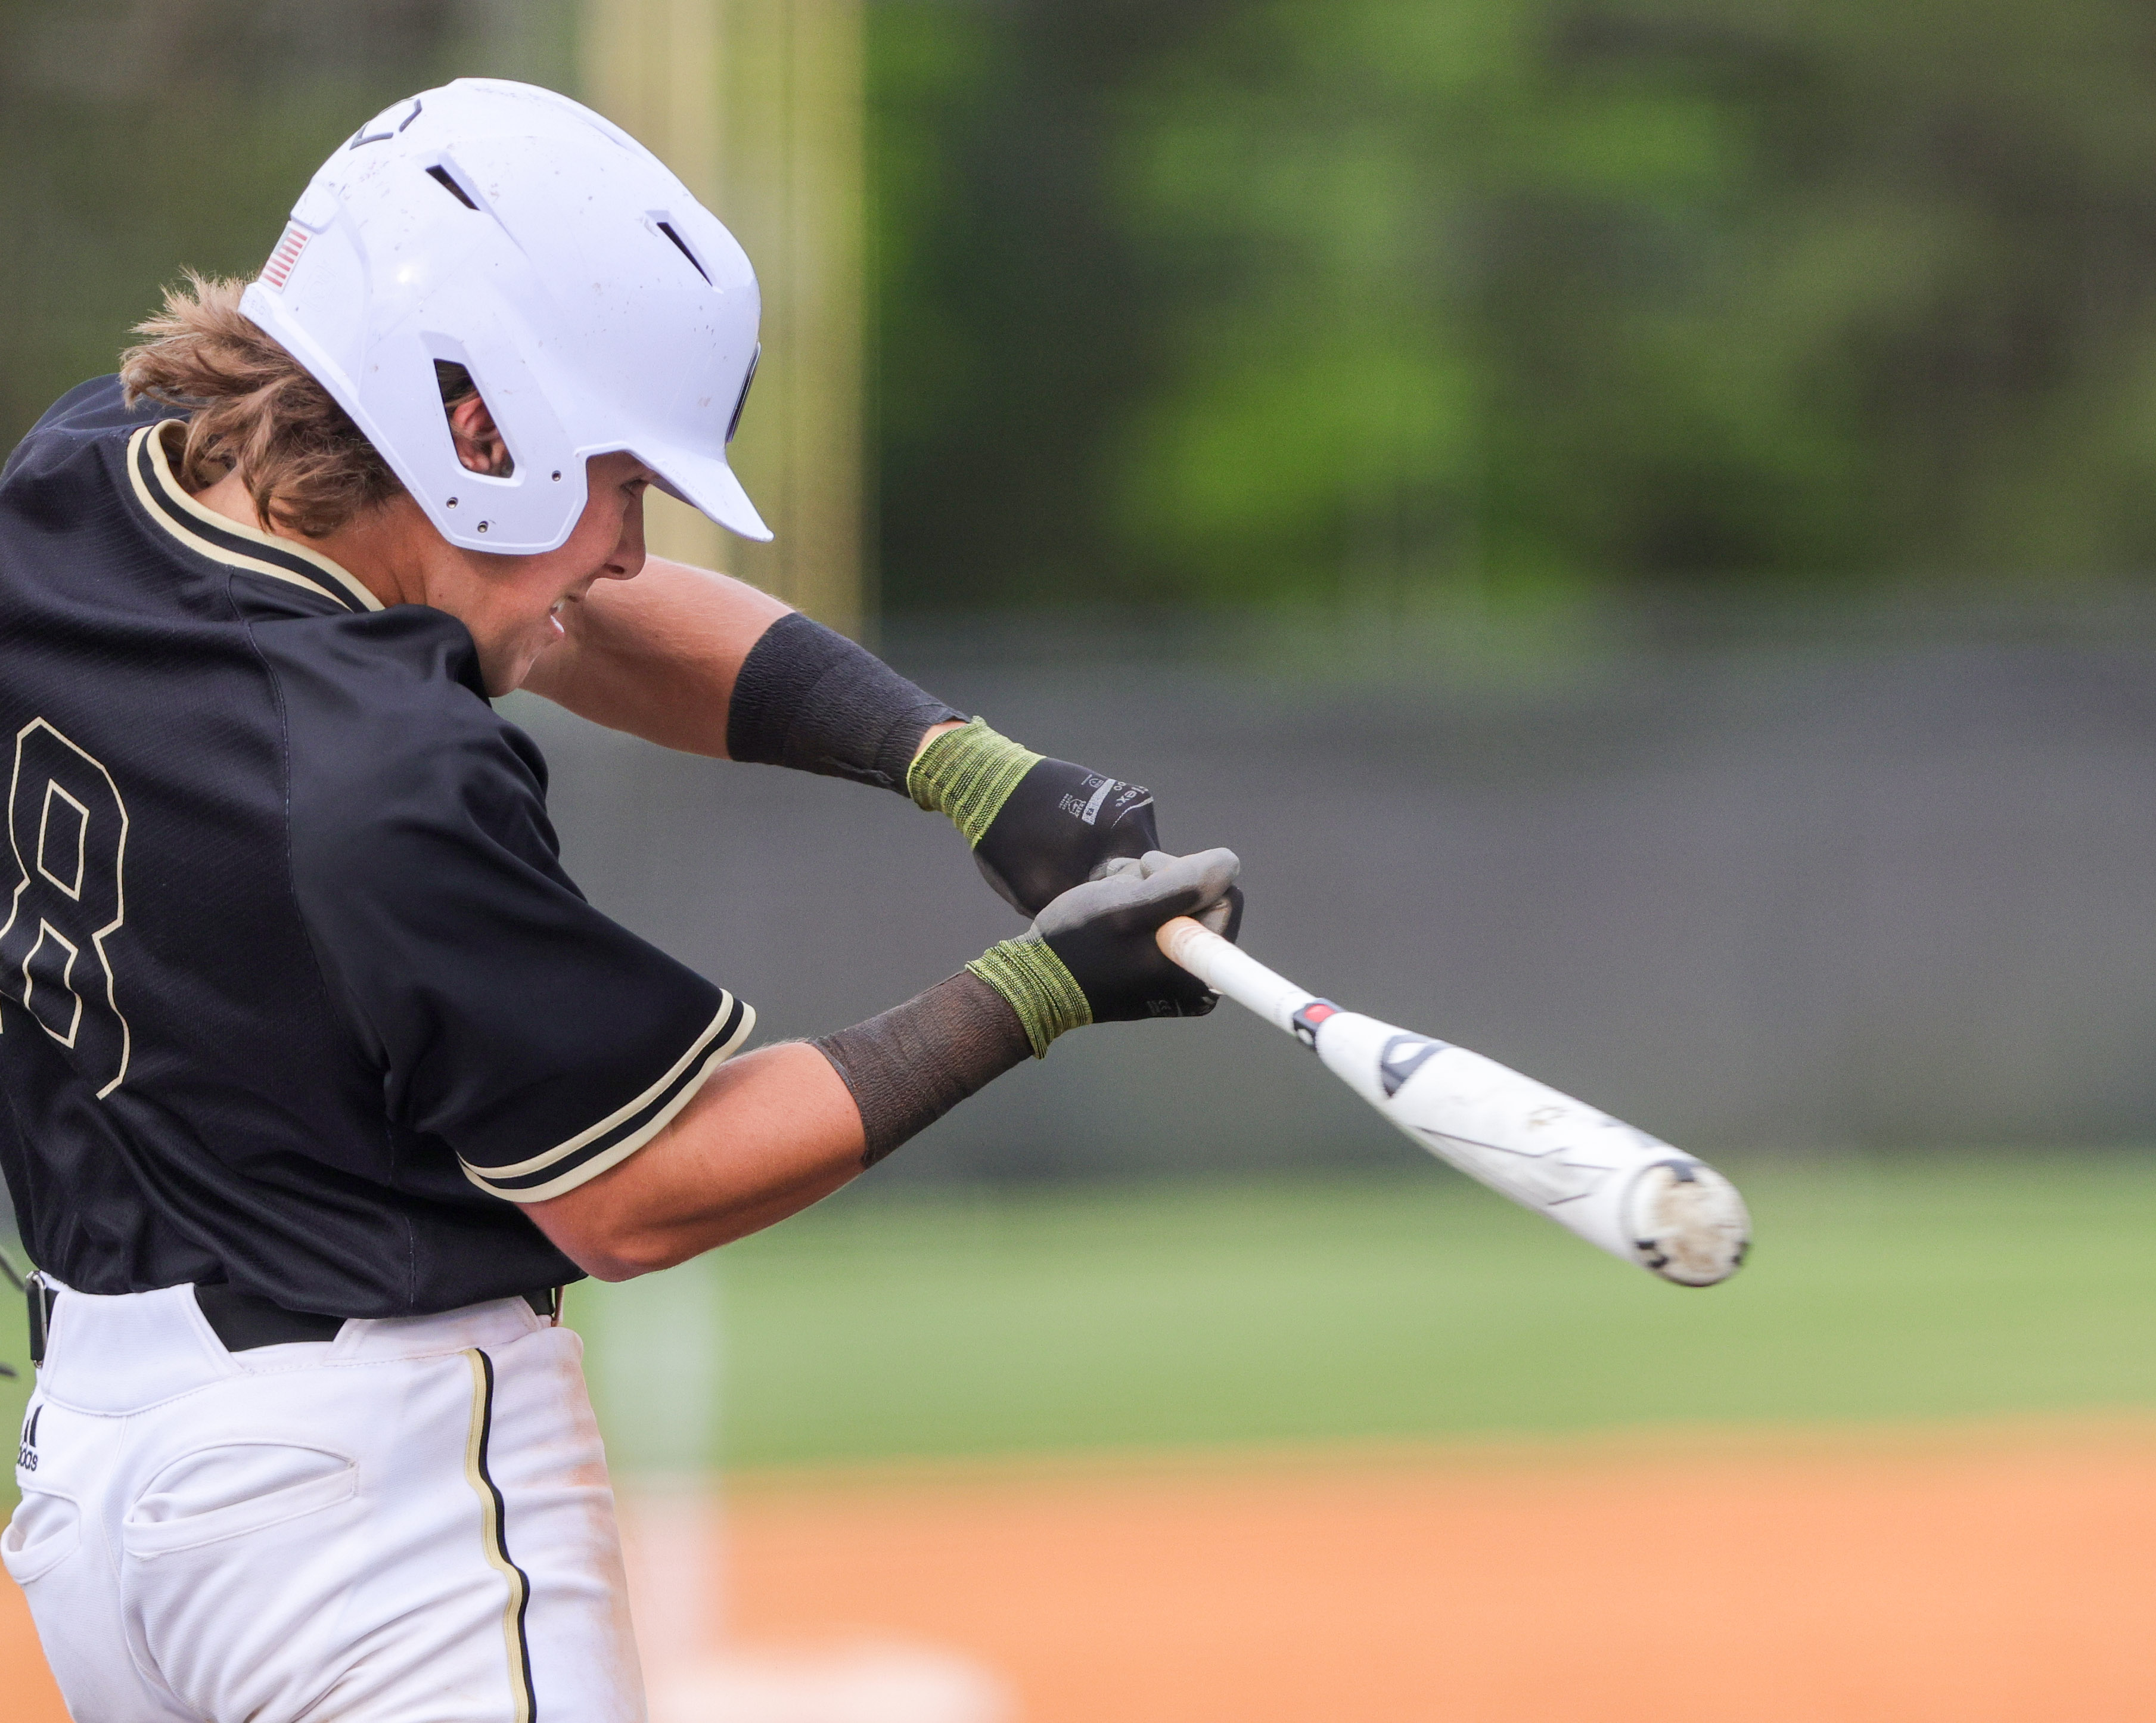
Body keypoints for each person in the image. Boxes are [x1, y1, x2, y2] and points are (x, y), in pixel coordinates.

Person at [0, 77, 1238, 1722]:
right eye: (623, 481)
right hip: (364, 1513)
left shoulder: (84, 479)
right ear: (475, 428)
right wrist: (1037, 991)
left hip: (98, 1495)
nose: (631, 546)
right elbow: (641, 1187)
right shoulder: (384, 773)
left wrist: (962, 770)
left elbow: (568, 613)